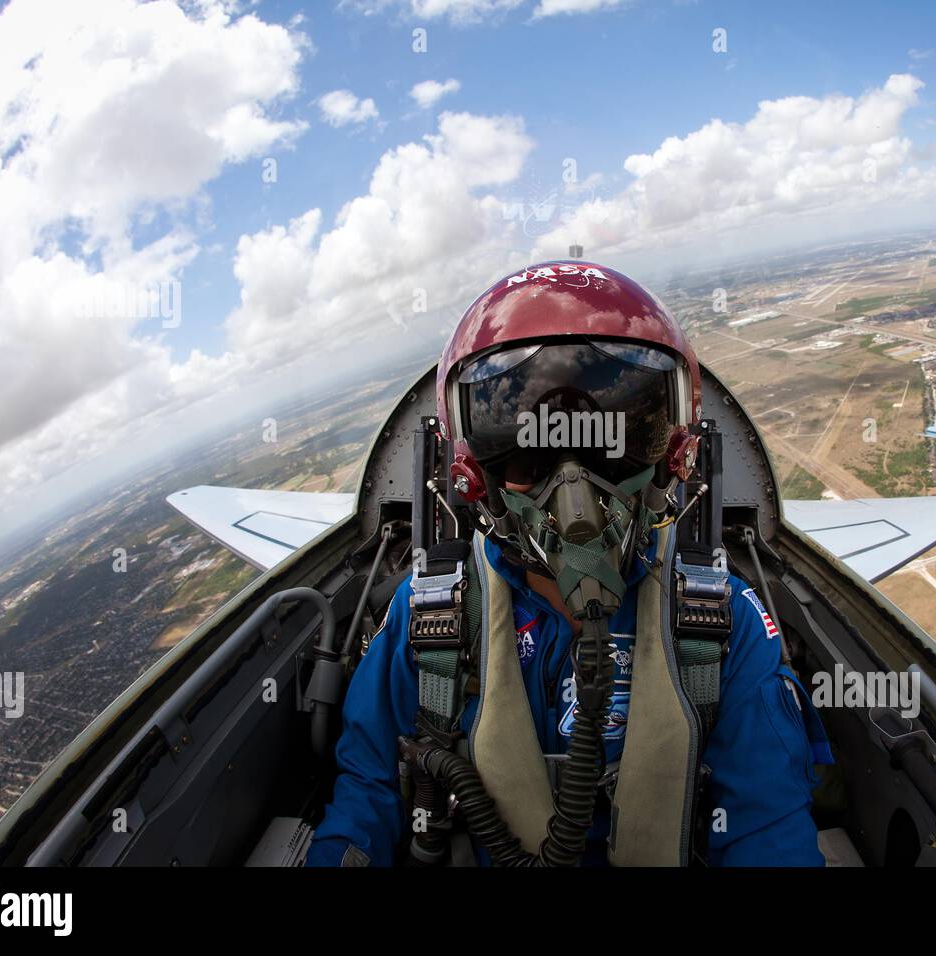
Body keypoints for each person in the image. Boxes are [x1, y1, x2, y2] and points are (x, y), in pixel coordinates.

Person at [307, 261, 831, 867]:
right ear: (474, 471)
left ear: (674, 457)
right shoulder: (432, 618)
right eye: (529, 454)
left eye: (614, 444)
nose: (575, 491)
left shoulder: (718, 625)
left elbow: (768, 834)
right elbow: (365, 797)